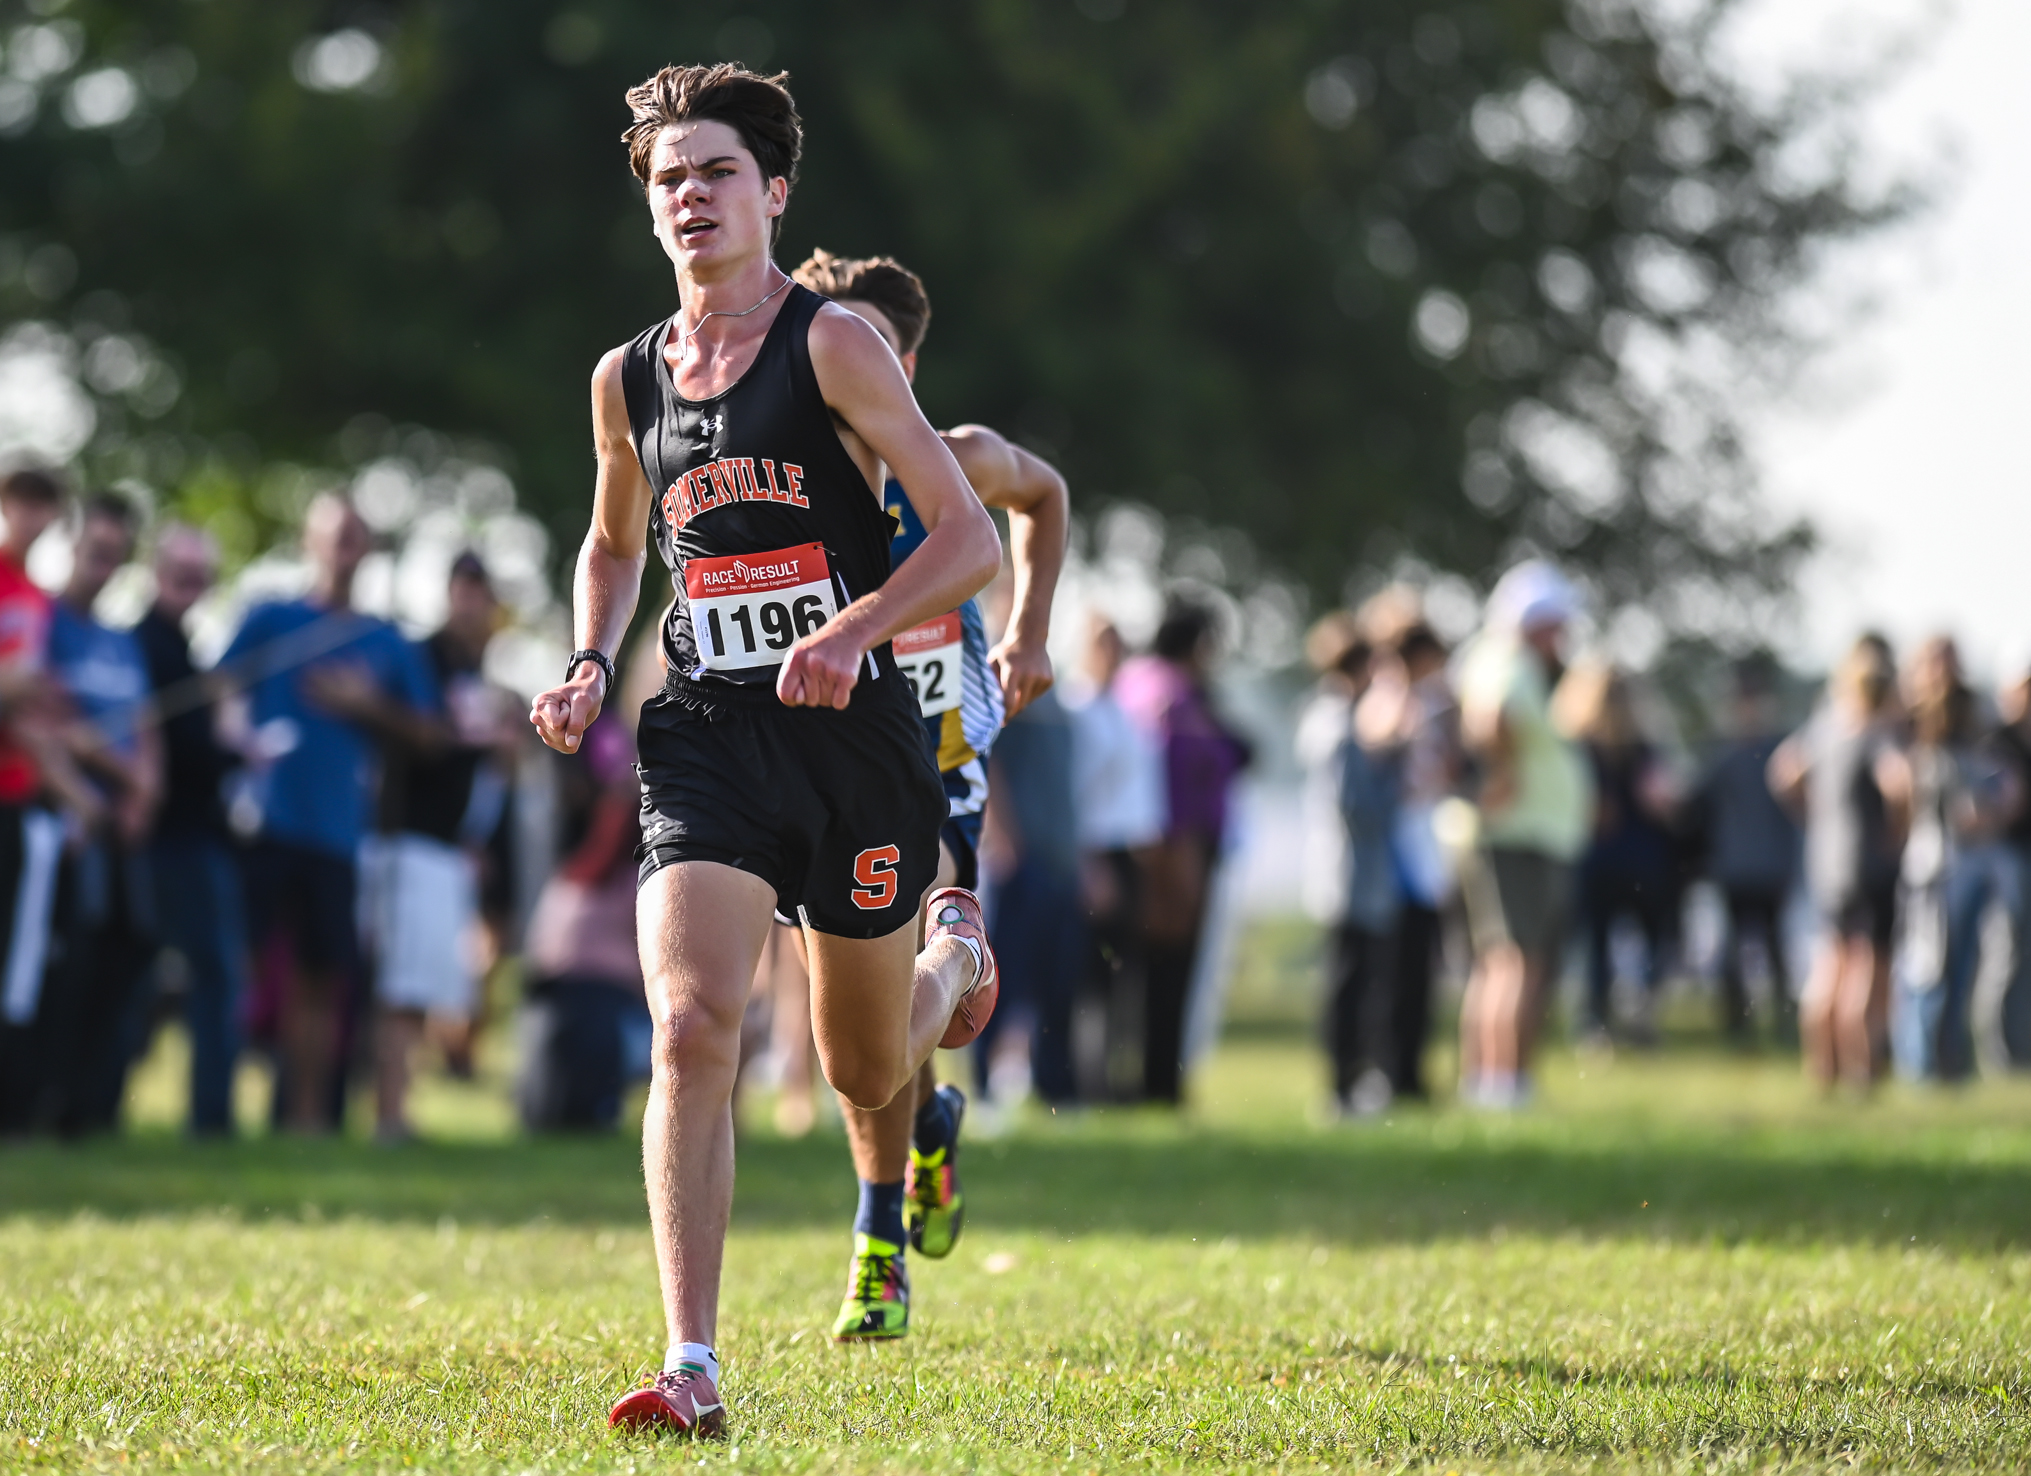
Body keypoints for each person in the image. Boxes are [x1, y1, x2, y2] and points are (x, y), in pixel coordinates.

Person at [524, 65, 1002, 1437]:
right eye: (669, 178)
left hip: (853, 742)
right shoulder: (625, 377)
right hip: (708, 733)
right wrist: (586, 658)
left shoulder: (834, 344)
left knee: (864, 1074)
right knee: (691, 1025)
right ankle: (692, 1364)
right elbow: (614, 543)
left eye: (717, 172)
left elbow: (966, 536)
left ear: (773, 192)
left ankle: (952, 962)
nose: (691, 196)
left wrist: (854, 628)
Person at [788, 248, 1068, 1338]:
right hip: (823, 763)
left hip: (941, 750)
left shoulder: (958, 460)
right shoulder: (783, 479)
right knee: (859, 1026)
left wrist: (1028, 632)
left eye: (861, 342)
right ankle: (931, 1125)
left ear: (898, 364)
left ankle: (877, 1249)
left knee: (927, 911)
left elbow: (1045, 495)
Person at [220, 493, 440, 1133]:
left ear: (366, 549)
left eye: (354, 535)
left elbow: (431, 734)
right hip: (264, 824)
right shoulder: (270, 618)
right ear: (308, 541)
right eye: (333, 534)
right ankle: (215, 1112)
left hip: (337, 836)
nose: (343, 547)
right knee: (239, 967)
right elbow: (218, 688)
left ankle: (307, 1119)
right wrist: (239, 740)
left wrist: (367, 706)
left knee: (320, 979)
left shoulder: (385, 640)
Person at [366, 552, 518, 1142]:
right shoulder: (422, 657)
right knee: (402, 988)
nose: (472, 603)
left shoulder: (475, 669)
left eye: (482, 591)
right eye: (464, 589)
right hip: (409, 840)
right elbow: (424, 737)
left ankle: (397, 1110)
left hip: (446, 849)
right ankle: (389, 1116)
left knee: (420, 987)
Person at [36, 492, 162, 1134]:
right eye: (95, 551)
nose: (103, 566)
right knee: (67, 966)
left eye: (116, 555)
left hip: (119, 836)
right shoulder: (43, 623)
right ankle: (44, 1099)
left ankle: (90, 1106)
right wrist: (116, 770)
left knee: (126, 958)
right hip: (64, 827)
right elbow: (50, 725)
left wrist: (142, 792)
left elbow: (146, 730)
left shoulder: (121, 644)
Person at [1453, 561, 1592, 1109]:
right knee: (1518, 961)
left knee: (1502, 961)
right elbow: (1491, 721)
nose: (1564, 637)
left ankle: (1492, 1082)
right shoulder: (1507, 663)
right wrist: (1505, 773)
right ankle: (1503, 1084)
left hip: (1522, 835)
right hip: (1518, 835)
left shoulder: (1503, 662)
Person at [133, 522, 246, 1134]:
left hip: (194, 835)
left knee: (161, 978)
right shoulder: (146, 647)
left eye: (200, 575)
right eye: (181, 571)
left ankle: (206, 1115)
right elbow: (183, 752)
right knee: (203, 977)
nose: (190, 584)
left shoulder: (187, 652)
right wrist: (234, 750)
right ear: (156, 571)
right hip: (167, 840)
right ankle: (209, 1118)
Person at [1115, 598, 1252, 1104]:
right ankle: (1159, 1082)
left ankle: (1153, 1079)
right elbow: (1178, 772)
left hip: (1164, 846)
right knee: (1169, 968)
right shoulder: (1170, 693)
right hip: (1177, 849)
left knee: (1150, 971)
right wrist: (1177, 852)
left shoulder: (1141, 683)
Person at [1768, 634, 1907, 1092]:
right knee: (1867, 969)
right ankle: (1861, 1069)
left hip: (1827, 864)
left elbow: (1783, 772)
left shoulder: (1824, 730)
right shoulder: (1876, 734)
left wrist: (1813, 815)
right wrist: (1898, 829)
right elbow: (1898, 783)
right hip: (1870, 865)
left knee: (1830, 965)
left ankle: (1821, 1067)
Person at [0, 468, 91, 1134]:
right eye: (22, 503)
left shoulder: (38, 598)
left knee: (20, 961)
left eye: (44, 506)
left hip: (22, 798)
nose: (33, 518)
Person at [1889, 635, 2020, 1082]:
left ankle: (1946, 1063)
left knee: (1954, 971)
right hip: (1934, 871)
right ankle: (1922, 1065)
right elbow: (1956, 815)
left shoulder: (1966, 748)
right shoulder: (1924, 750)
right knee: (1927, 971)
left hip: (1955, 869)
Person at [1063, 615, 1165, 1099]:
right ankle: (1086, 1079)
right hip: (1095, 851)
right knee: (1090, 974)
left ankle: (1116, 1077)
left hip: (1127, 850)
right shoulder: (1076, 707)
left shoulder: (1121, 708)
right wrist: (1088, 863)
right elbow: (1074, 792)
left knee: (1123, 972)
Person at [1558, 660, 1680, 1048]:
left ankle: (1594, 1024)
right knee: (1651, 940)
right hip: (1643, 859)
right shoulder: (1643, 747)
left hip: (1598, 858)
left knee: (1594, 947)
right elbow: (1662, 801)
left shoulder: (1578, 747)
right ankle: (1640, 1006)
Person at [1690, 654, 1801, 1047]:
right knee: (1735, 953)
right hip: (1735, 869)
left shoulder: (1781, 755)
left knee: (1774, 949)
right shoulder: (1723, 758)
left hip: (1770, 869)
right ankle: (1737, 1022)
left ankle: (1783, 1021)